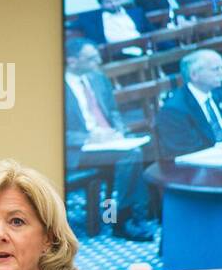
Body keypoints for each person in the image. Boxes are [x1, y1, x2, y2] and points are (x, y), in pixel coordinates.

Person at [63, 38, 156, 241]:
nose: (98, 60)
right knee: (130, 156)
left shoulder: (97, 78)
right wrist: (89, 137)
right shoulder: (56, 88)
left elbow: (113, 111)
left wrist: (119, 130)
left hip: (109, 141)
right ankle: (122, 221)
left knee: (151, 146)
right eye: (91, 57)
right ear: (72, 61)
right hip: (77, 150)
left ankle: (144, 212)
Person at [156, 49, 222, 157]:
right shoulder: (173, 111)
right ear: (194, 75)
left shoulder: (220, 95)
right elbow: (187, 152)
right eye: (216, 69)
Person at [73, 0, 153, 48]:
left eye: (116, 0)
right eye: (108, 2)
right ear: (101, 4)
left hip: (142, 46)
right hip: (115, 52)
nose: (114, 4)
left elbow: (150, 29)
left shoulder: (136, 13)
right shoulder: (91, 19)